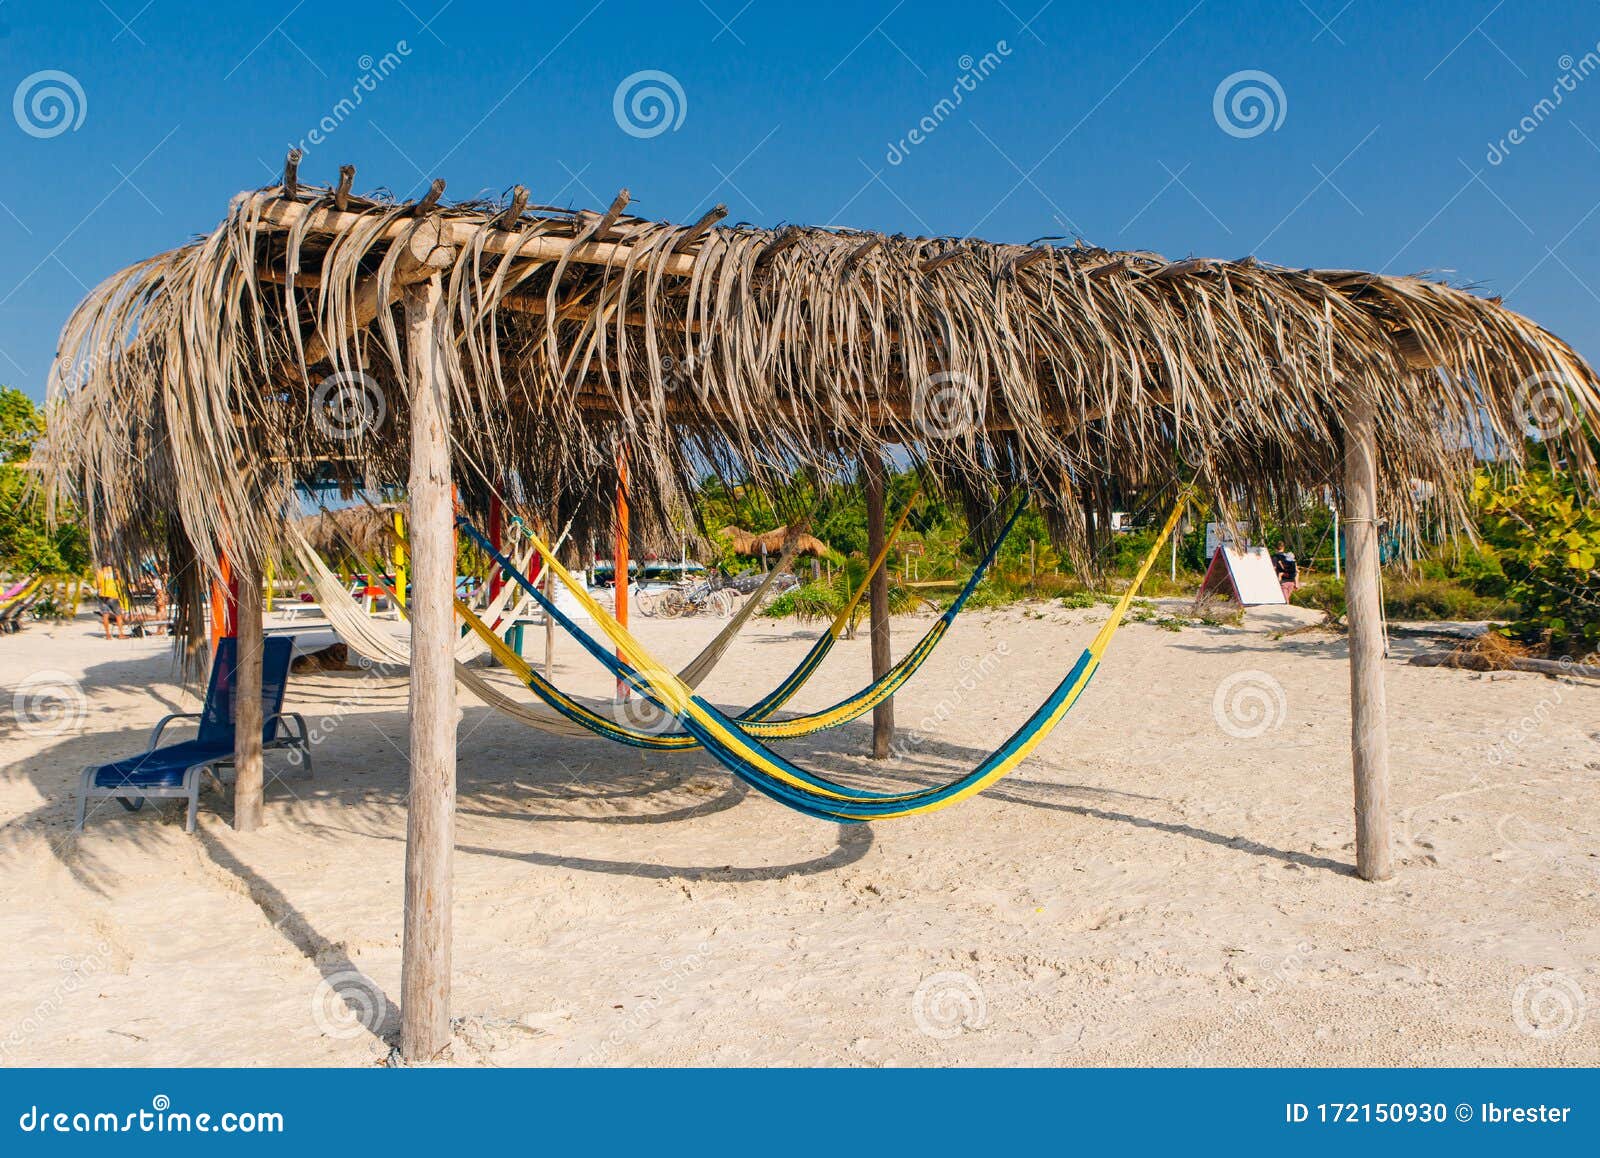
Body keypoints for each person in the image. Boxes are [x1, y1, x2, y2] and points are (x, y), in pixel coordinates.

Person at [93, 563, 127, 639]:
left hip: (102, 597)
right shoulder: (115, 571)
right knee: (118, 615)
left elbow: (95, 586)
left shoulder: (100, 572)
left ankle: (108, 635)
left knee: (105, 615)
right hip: (113, 595)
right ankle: (120, 634)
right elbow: (121, 583)